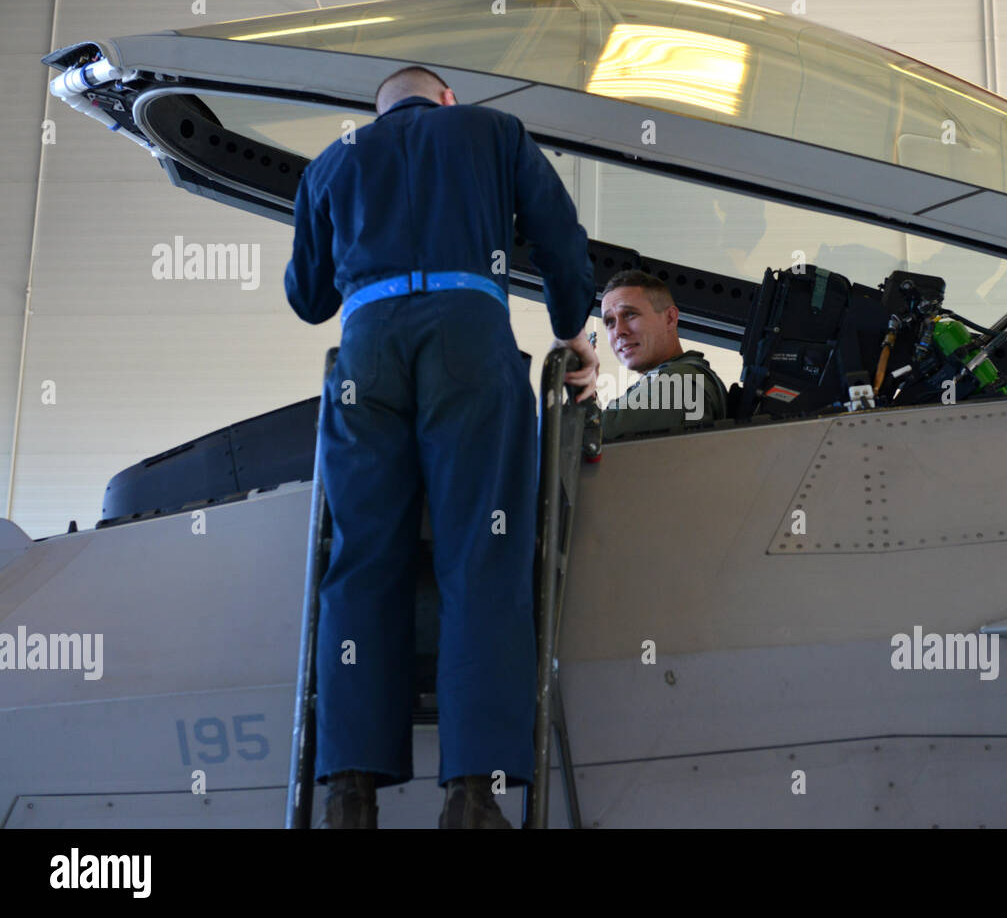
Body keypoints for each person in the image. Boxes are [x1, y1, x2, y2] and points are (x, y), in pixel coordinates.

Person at [284, 65, 598, 828]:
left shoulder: (336, 157)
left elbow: (308, 297)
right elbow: (561, 242)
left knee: (359, 562)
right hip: (469, 338)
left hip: (366, 353)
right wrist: (572, 333)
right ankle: (472, 793)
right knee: (480, 557)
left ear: (381, 108)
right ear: (446, 98)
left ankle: (348, 790)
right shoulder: (495, 131)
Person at [599, 270, 728, 440]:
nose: (619, 331)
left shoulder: (681, 382)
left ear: (670, 318)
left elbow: (595, 434)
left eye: (630, 314)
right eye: (610, 322)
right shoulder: (665, 381)